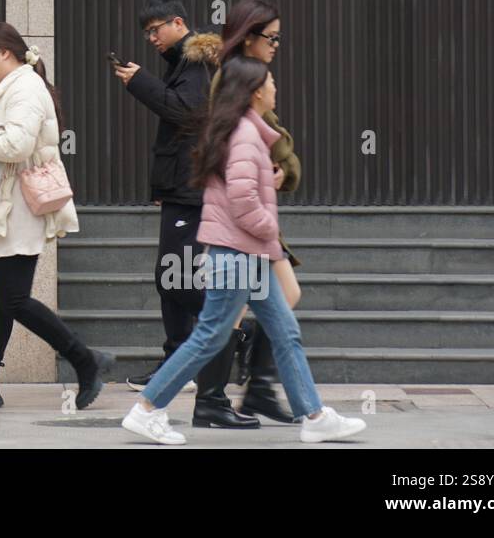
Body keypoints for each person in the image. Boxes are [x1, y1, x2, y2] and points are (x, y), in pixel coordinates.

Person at [120, 58, 367, 445]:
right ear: (254, 92)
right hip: (236, 254)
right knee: (210, 336)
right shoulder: (245, 136)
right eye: (270, 82)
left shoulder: (245, 132)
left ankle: (315, 415)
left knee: (285, 333)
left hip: (248, 253)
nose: (275, 88)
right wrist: (271, 228)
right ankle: (147, 409)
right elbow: (242, 199)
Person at [0, 21, 115, 410]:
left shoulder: (25, 88)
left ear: (4, 52)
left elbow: (16, 144)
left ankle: (86, 360)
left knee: (14, 298)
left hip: (16, 209)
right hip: (4, 207)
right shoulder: (16, 87)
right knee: (2, 298)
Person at [113, 0, 256, 429]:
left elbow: (187, 114)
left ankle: (237, 330)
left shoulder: (195, 64)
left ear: (180, 23)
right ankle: (180, 357)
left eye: (157, 29)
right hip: (179, 189)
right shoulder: (182, 62)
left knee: (172, 277)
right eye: (147, 34)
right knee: (172, 276)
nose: (152, 38)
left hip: (191, 189)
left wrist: (140, 82)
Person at [210, 0, 302, 424]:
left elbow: (273, 140)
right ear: (249, 36)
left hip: (249, 207)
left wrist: (281, 166)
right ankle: (212, 398)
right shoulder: (233, 79)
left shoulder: (250, 77)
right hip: (238, 213)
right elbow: (231, 144)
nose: (277, 45)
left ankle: (257, 389)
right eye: (271, 37)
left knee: (279, 297)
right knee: (228, 314)